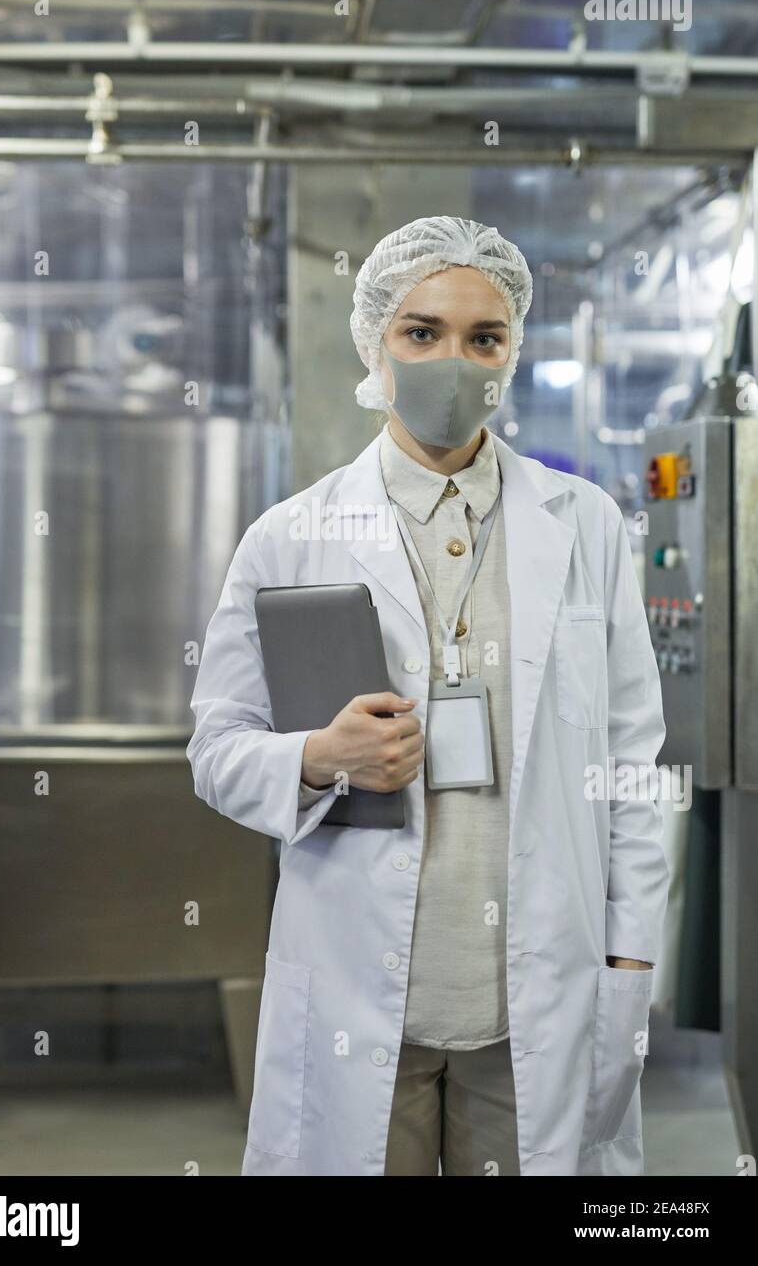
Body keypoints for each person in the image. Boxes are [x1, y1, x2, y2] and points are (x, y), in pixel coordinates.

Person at [186, 216, 670, 1177]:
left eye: (482, 338)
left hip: (537, 998)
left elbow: (632, 762)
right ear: (375, 343)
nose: (453, 360)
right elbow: (218, 747)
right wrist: (319, 758)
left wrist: (628, 959)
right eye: (422, 332)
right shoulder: (293, 535)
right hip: (363, 1001)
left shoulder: (584, 527)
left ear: (512, 354)